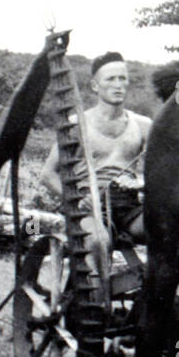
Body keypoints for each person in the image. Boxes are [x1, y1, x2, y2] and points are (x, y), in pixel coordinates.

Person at [41, 52, 152, 246]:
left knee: (169, 230)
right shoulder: (76, 125)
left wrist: (141, 183)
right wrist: (77, 199)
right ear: (95, 86)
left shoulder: (143, 125)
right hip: (88, 205)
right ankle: (95, 276)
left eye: (122, 79)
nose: (118, 85)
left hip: (128, 205)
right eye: (110, 79)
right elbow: (47, 175)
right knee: (98, 241)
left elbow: (164, 170)